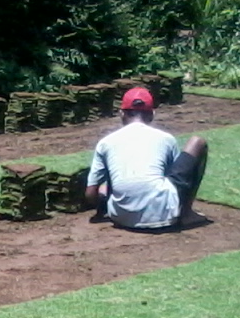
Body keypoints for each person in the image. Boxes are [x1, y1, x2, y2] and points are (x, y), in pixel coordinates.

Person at [84, 87, 209, 230]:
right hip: (164, 215)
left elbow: (90, 194)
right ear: (152, 114)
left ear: (121, 113)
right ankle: (187, 213)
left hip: (120, 218)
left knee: (104, 186)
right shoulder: (166, 139)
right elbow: (177, 179)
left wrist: (104, 206)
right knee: (197, 142)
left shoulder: (105, 142)